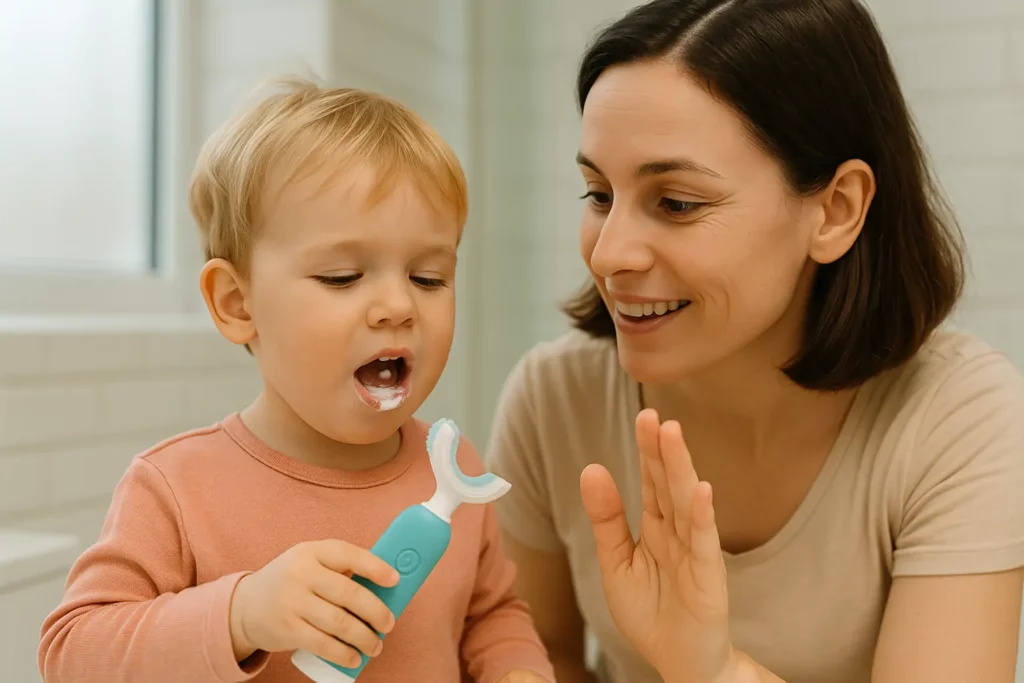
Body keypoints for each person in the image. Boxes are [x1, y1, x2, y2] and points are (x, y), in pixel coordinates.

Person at [486, 1, 1024, 682]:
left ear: (836, 209)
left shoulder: (957, 419)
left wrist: (711, 668)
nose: (610, 252)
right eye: (598, 193)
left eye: (677, 202)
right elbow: (541, 652)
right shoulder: (555, 399)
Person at [39, 81, 554, 683]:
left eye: (429, 277)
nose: (397, 304)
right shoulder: (176, 488)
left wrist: (519, 669)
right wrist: (240, 615)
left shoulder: (452, 472)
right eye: (342, 276)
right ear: (237, 303)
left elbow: (491, 615)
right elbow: (72, 656)